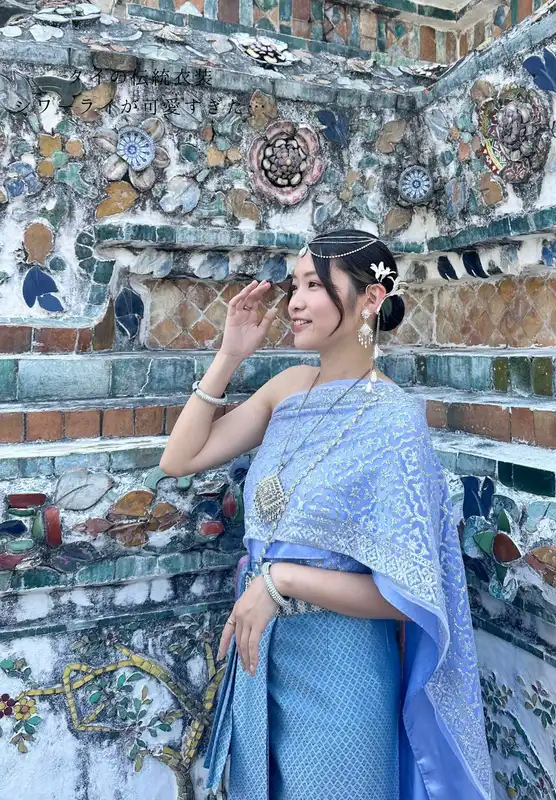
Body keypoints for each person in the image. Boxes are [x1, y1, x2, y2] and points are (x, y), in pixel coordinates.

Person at [159, 230, 494, 800]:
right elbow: (179, 458)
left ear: (371, 297)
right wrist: (229, 355)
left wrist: (281, 582)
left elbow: (408, 597)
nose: (295, 301)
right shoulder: (288, 388)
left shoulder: (394, 421)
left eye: (314, 285)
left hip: (342, 676)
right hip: (259, 662)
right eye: (294, 286)